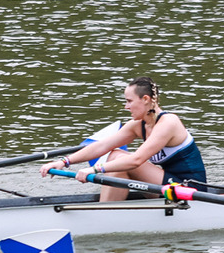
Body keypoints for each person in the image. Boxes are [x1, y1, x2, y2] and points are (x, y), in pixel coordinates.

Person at [40, 77, 209, 201]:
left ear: (145, 99)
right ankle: (105, 211)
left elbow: (136, 160)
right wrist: (64, 161)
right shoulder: (138, 125)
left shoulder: (168, 122)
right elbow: (102, 146)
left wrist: (95, 170)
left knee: (123, 159)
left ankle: (105, 215)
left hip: (189, 189)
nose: (126, 106)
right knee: (115, 154)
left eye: (129, 101)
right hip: (164, 186)